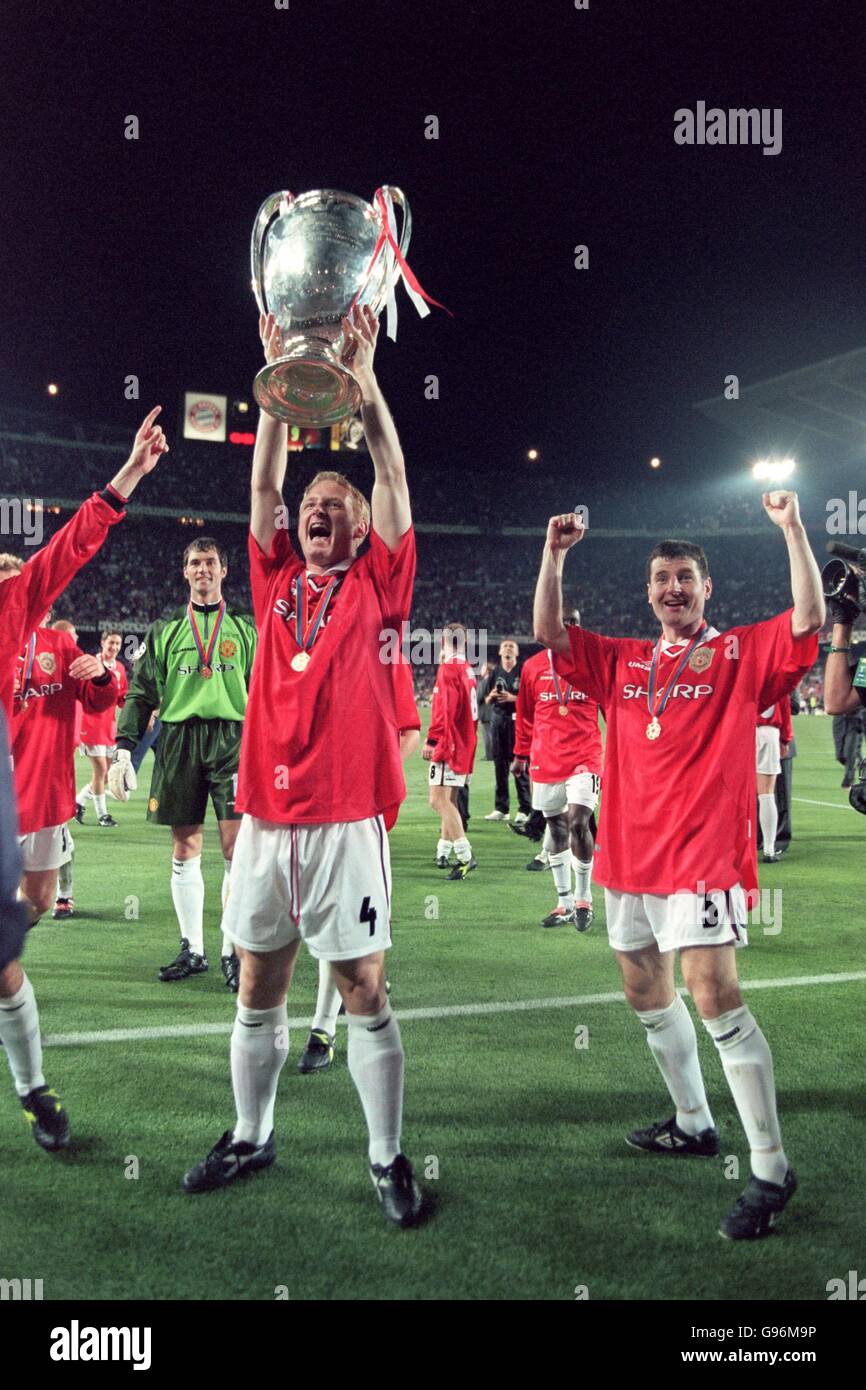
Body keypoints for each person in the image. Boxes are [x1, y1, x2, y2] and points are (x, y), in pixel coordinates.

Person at [181, 304, 424, 1228]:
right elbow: (261, 489)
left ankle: (388, 1155)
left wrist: (366, 389)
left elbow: (392, 473)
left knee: (364, 987)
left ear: (361, 531)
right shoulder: (274, 577)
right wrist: (280, 380)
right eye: (312, 508)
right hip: (265, 824)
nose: (318, 514)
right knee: (256, 984)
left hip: (344, 821)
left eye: (337, 509)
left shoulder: (379, 583)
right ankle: (251, 1133)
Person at [534, 491, 823, 1241]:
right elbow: (547, 631)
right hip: (629, 857)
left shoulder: (735, 654)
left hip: (700, 857)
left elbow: (809, 622)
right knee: (642, 985)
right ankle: (694, 1123)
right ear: (649, 589)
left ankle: (769, 1167)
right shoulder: (624, 661)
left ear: (706, 588)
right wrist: (555, 554)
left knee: (713, 995)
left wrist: (792, 529)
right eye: (661, 578)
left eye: (684, 578)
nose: (672, 589)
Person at [0, 406, 168, 1153]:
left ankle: (34, 1090)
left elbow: (69, 547)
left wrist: (129, 473)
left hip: (32, 803)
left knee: (12, 947)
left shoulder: (35, 626)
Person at [108, 537, 257, 992]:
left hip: (233, 740)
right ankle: (193, 948)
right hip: (178, 741)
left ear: (224, 571)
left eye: (210, 562)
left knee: (236, 850)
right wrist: (122, 749)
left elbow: (272, 690)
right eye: (195, 562)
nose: (202, 569)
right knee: (185, 847)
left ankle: (233, 949)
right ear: (185, 571)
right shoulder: (165, 629)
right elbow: (141, 692)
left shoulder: (248, 628)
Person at [297, 655, 421, 1074]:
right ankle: (352, 1001)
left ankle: (323, 1029)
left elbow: (409, 733)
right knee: (322, 917)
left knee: (352, 925)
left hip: (361, 816)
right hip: (309, 810)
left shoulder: (387, 657)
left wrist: (370, 779)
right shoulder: (305, 650)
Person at [9, 603, 116, 923]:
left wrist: (100, 676)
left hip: (44, 790)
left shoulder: (58, 645)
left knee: (40, 899)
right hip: (5, 790)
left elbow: (99, 700)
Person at [512, 608, 602, 929]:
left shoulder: (593, 665)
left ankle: (584, 899)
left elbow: (614, 711)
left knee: (579, 822)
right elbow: (524, 714)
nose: (568, 629)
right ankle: (563, 902)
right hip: (546, 758)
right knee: (557, 830)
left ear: (581, 627)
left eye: (574, 624)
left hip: (584, 757)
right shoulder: (533, 667)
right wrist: (521, 754)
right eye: (563, 624)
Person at [423, 622, 478, 879]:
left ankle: (466, 857)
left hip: (449, 744)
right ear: (465, 642)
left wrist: (433, 741)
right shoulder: (467, 669)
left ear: (443, 641)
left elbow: (445, 711)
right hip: (464, 744)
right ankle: (443, 850)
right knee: (451, 801)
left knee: (437, 801)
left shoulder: (449, 670)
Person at [75, 629, 127, 828]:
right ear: (102, 643)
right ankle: (103, 815)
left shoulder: (120, 668)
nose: (114, 647)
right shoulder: (92, 665)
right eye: (111, 643)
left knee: (105, 775)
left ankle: (78, 801)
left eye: (117, 644)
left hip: (109, 727)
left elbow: (121, 697)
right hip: (90, 724)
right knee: (101, 771)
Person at [479, 639, 531, 823]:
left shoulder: (524, 671)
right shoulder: (495, 673)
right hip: (497, 721)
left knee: (520, 764)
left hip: (517, 722)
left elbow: (530, 699)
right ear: (500, 652)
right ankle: (501, 808)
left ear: (516, 653)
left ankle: (525, 808)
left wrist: (512, 698)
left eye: (512, 646)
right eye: (505, 646)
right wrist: (492, 696)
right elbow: (485, 701)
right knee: (499, 765)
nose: (508, 648)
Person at [755, 696, 793, 863]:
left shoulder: (738, 673)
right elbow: (785, 707)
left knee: (737, 793)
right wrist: (786, 739)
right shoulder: (775, 674)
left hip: (740, 731)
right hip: (768, 732)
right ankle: (769, 849)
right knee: (767, 794)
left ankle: (736, 848)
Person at [832, 707, 864, 788]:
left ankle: (848, 781)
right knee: (840, 756)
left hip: (855, 718)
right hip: (839, 718)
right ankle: (859, 762)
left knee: (850, 752)